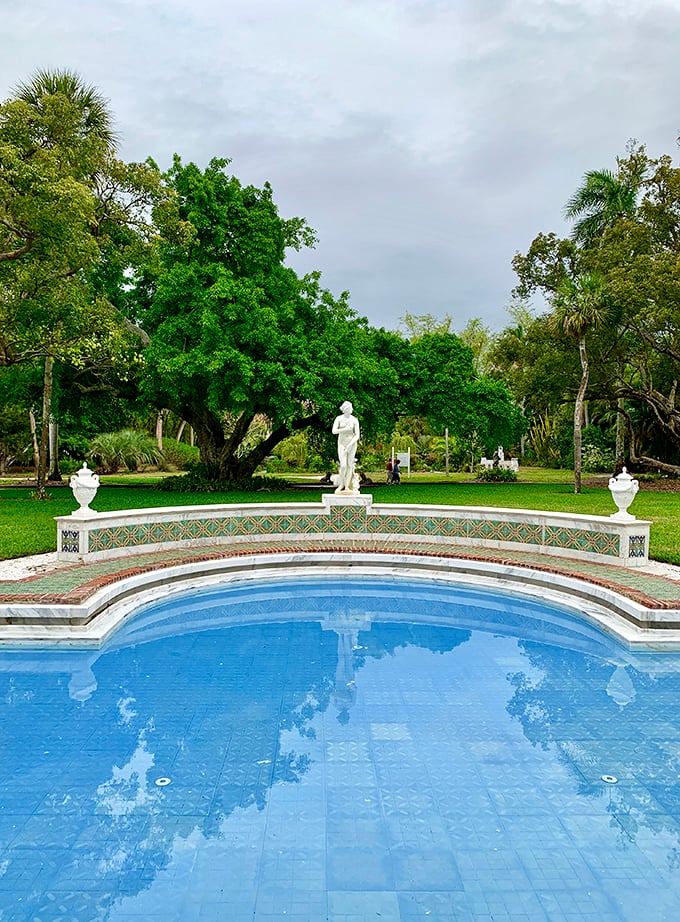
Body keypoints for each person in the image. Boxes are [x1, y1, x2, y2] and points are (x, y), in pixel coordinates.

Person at [331, 401, 361, 493]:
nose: (352, 409)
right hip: (342, 443)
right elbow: (334, 431)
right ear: (345, 409)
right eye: (350, 408)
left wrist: (350, 445)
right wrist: (345, 429)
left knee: (349, 465)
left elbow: (357, 435)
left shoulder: (354, 419)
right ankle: (341, 484)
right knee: (343, 465)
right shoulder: (339, 419)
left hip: (351, 443)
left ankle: (347, 486)